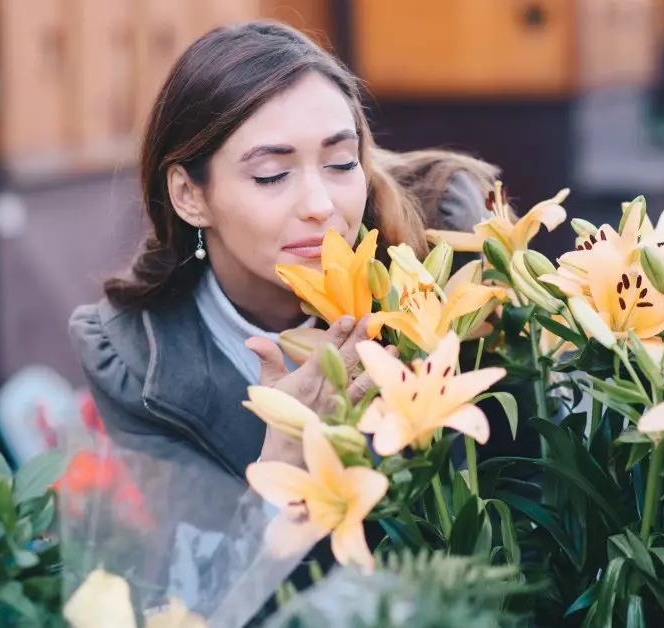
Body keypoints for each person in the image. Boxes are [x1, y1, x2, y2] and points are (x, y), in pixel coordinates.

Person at [65, 20, 523, 621]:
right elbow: (189, 604)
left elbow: (532, 501)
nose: (320, 205)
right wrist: (280, 468)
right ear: (189, 194)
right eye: (272, 175)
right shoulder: (132, 356)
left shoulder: (446, 249)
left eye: (340, 162)